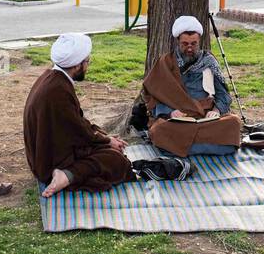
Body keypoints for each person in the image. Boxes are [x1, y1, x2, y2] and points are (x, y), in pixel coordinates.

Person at [24, 33, 188, 198]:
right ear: (76, 65)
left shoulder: (52, 78)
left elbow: (75, 123)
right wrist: (107, 141)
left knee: (108, 150)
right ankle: (67, 175)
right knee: (116, 160)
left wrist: (104, 138)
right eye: (87, 62)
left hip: (47, 152)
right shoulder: (58, 90)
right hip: (48, 163)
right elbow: (78, 131)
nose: (88, 66)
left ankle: (71, 172)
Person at [140, 15, 241, 162]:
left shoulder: (209, 62)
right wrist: (170, 112)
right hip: (179, 120)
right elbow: (154, 95)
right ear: (177, 42)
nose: (189, 48)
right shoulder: (166, 63)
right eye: (185, 44)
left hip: (206, 117)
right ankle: (212, 147)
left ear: (199, 41)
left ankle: (178, 148)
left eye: (193, 44)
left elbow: (223, 94)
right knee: (159, 130)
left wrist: (216, 110)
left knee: (234, 123)